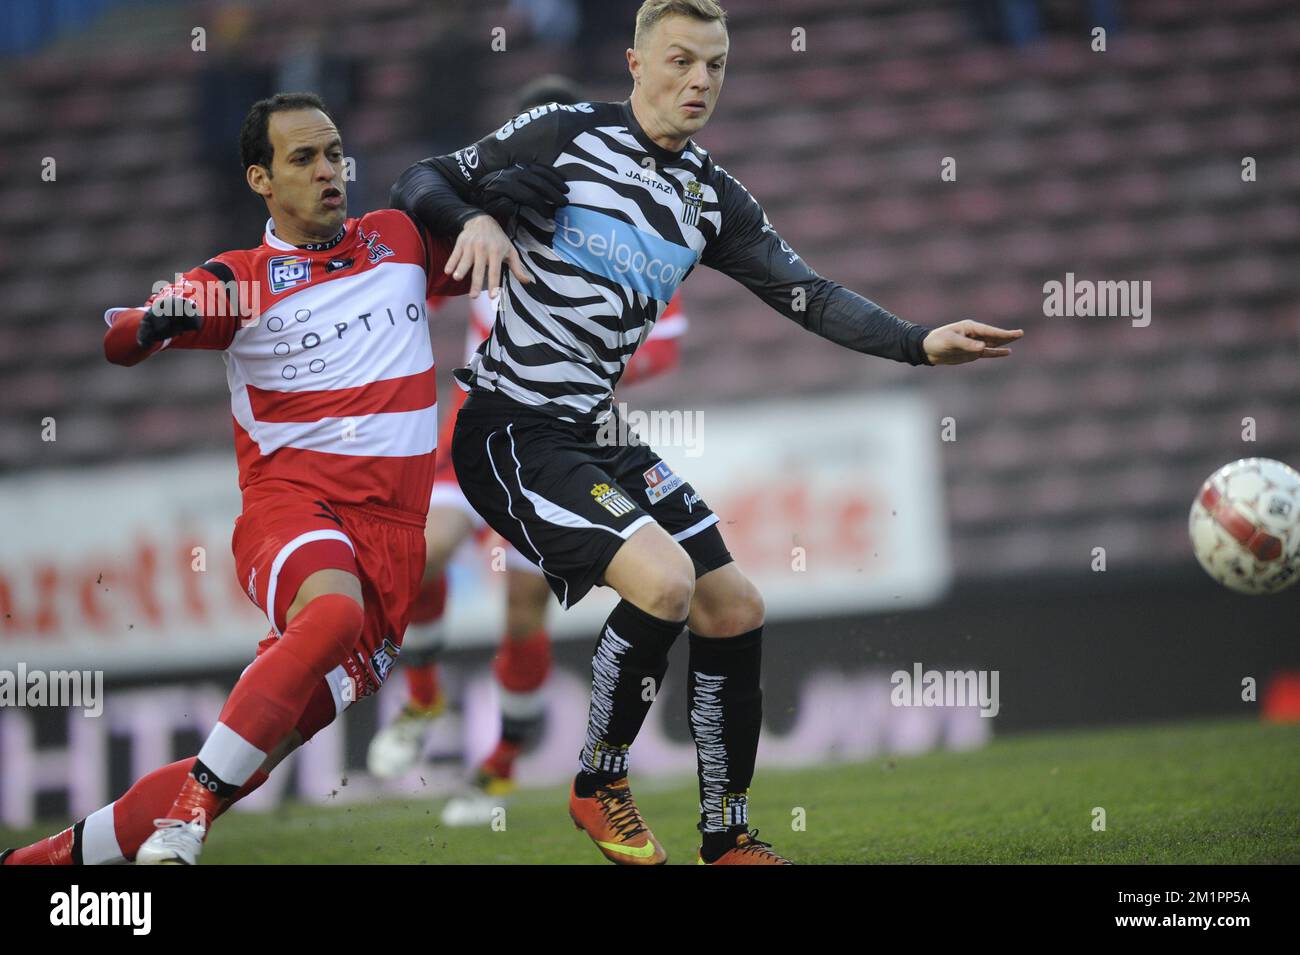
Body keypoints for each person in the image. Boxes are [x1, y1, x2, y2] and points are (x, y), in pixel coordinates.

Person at [390, 0, 1024, 866]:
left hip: (595, 429)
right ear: (636, 63)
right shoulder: (564, 130)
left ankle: (725, 839)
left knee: (735, 606)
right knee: (665, 583)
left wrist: (918, 342)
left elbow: (811, 294)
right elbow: (420, 177)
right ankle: (596, 783)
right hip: (509, 427)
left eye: (715, 66)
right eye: (682, 60)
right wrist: (472, 217)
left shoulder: (709, 196)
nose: (699, 81)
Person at [1, 92, 562, 866]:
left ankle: (48, 861)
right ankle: (189, 816)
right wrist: (152, 323)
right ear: (261, 179)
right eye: (303, 158)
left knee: (250, 760)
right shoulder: (239, 278)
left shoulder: (396, 240)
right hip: (294, 513)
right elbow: (122, 342)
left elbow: (492, 259)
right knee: (328, 618)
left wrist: (512, 217)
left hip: (390, 548)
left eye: (334, 153)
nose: (329, 171)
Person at [366, 77, 688, 830]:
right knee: (416, 557)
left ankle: (499, 768)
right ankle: (420, 695)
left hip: (556, 440)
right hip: (469, 435)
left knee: (520, 603)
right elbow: (410, 276)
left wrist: (583, 352)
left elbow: (665, 344)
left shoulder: (628, 234)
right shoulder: (490, 220)